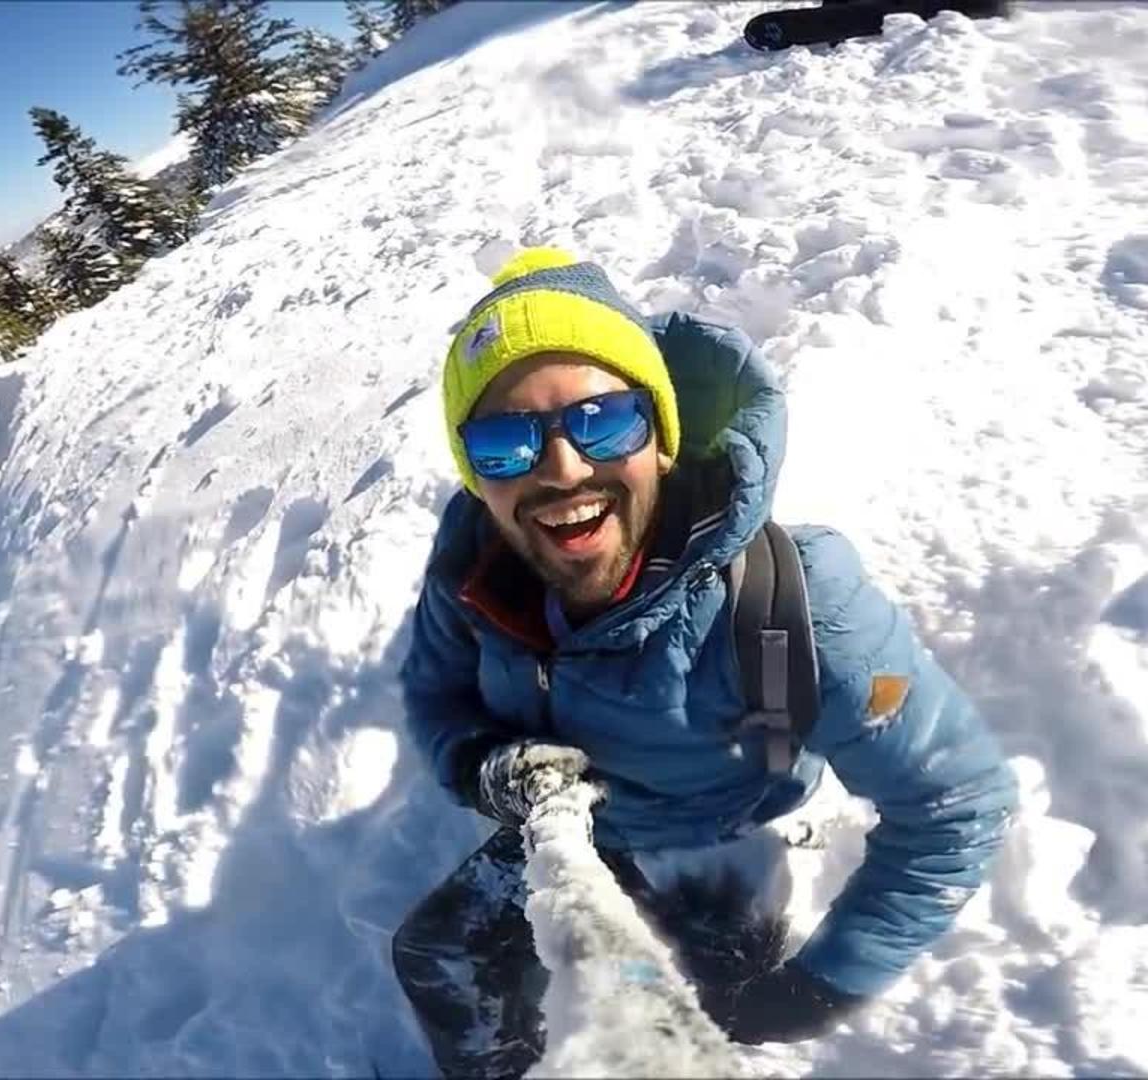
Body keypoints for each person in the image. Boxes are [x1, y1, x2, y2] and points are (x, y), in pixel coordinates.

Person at [392, 247, 1018, 1076]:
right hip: (574, 836)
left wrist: (824, 987)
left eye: (602, 420)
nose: (564, 469)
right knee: (435, 958)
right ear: (476, 475)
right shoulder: (472, 575)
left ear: (661, 435)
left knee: (691, 1025)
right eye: (507, 444)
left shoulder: (797, 602)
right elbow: (437, 698)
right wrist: (482, 765)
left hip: (718, 842)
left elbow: (957, 801)